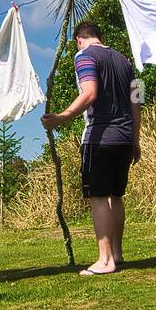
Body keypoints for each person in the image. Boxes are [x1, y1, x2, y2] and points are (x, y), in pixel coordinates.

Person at [41, 19, 140, 275]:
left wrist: (62, 117)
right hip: (125, 138)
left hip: (99, 137)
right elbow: (137, 101)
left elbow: (90, 93)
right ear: (100, 35)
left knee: (98, 197)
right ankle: (117, 254)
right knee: (116, 197)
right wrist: (135, 140)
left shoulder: (83, 56)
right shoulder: (125, 60)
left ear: (78, 39)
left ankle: (105, 261)